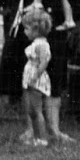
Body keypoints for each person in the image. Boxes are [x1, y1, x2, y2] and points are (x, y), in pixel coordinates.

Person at [20, 8, 53, 146]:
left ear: (36, 30)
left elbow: (44, 62)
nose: (24, 31)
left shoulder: (41, 45)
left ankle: (42, 139)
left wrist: (35, 76)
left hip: (36, 80)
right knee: (32, 111)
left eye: (27, 29)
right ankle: (35, 137)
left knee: (36, 110)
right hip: (30, 79)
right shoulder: (36, 43)